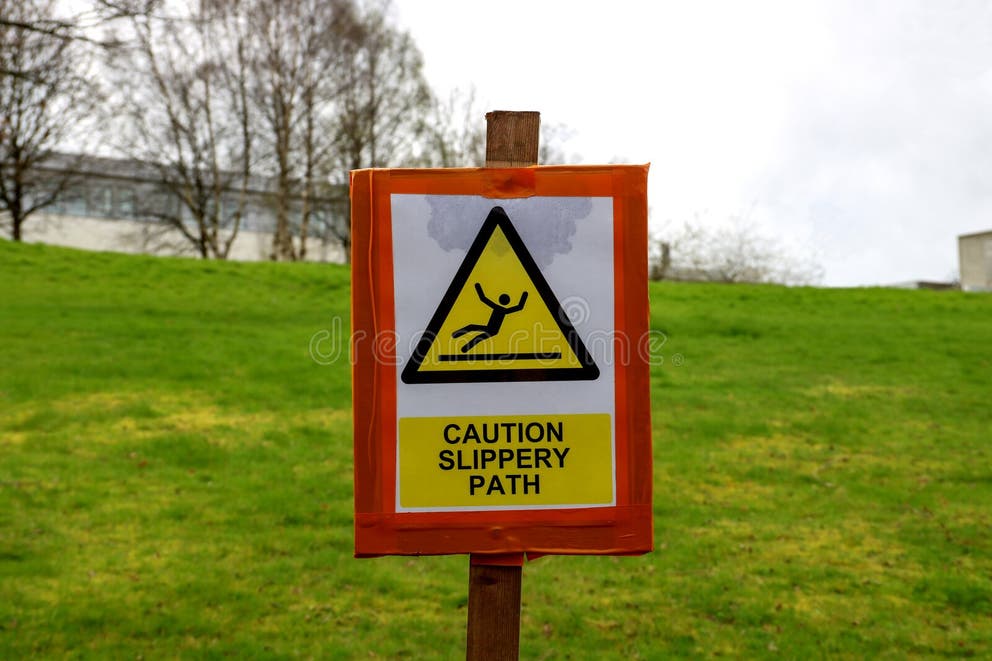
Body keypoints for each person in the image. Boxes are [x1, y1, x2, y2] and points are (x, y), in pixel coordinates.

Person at [452, 283, 528, 353]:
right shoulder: (504, 310)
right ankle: (460, 344)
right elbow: (519, 307)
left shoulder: (499, 308)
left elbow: (483, 298)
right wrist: (524, 295)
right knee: (475, 332)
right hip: (492, 329)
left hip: (492, 329)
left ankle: (459, 341)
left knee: (474, 331)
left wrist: (477, 287)